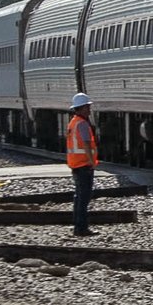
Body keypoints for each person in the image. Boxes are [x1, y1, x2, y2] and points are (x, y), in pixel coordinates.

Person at [65, 93, 101, 237]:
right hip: (84, 164)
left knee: (79, 197)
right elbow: (86, 144)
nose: (89, 110)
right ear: (81, 108)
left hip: (75, 164)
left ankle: (77, 226)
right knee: (84, 198)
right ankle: (81, 228)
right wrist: (92, 161)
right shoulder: (83, 124)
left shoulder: (73, 122)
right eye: (87, 107)